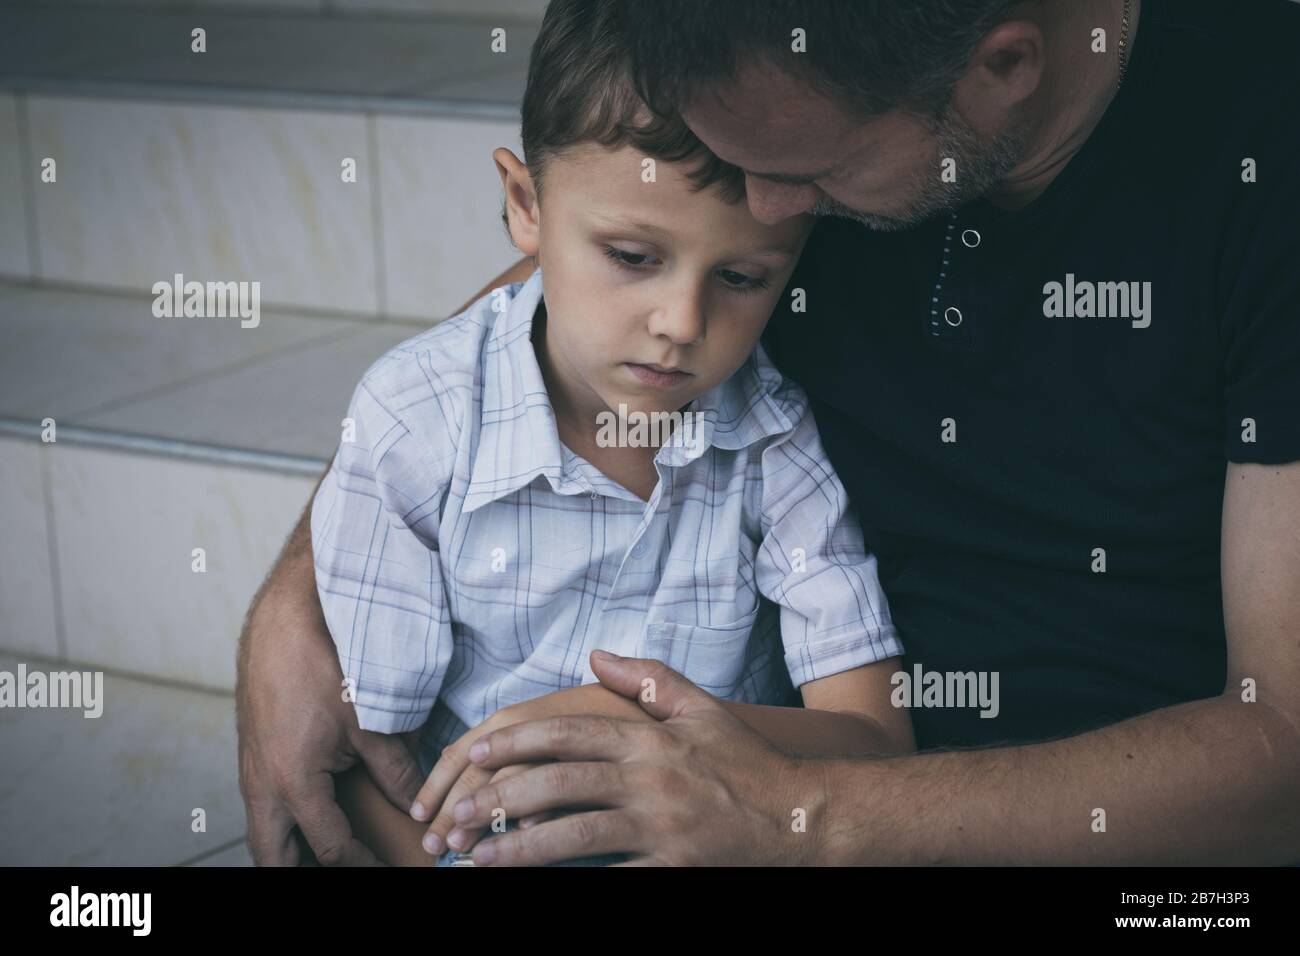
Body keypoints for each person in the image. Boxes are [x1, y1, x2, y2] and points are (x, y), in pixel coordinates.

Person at [238, 0, 1300, 867]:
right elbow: (548, 297)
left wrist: (795, 811)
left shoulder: (1263, 157)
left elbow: (1283, 752)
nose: (759, 205)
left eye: (806, 176)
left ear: (1003, 68)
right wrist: (299, 595)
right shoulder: (780, 100)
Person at [296, 0, 914, 867]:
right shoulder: (414, 421)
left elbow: (876, 743)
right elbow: (370, 760)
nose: (681, 321)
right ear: (525, 206)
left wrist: (656, 721)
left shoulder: (777, 446)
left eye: (741, 277)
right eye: (632, 257)